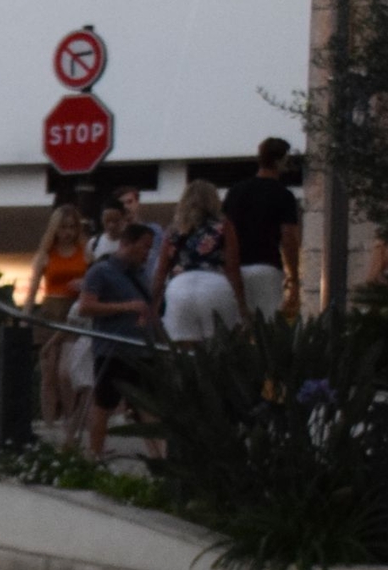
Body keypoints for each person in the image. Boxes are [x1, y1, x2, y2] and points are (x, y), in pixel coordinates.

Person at [74, 219, 158, 457]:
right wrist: (126, 307)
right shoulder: (101, 271)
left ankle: (159, 458)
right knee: (104, 404)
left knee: (147, 405)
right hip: (112, 350)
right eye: (144, 247)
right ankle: (95, 454)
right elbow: (86, 307)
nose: (147, 253)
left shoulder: (141, 275)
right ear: (127, 244)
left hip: (141, 349)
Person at [21, 203, 91, 421]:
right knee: (48, 373)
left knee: (67, 371)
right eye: (63, 227)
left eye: (72, 227)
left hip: (75, 313)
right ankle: (49, 421)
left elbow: (97, 281)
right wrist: (25, 317)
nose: (68, 233)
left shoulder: (86, 253)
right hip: (50, 310)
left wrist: (85, 283)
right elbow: (32, 289)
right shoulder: (45, 254)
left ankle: (71, 419)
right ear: (55, 229)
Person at [152, 179, 240, 343]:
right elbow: (232, 267)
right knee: (218, 350)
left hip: (179, 288)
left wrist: (153, 306)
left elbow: (161, 270)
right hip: (215, 285)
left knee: (184, 355)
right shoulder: (223, 226)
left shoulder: (173, 229)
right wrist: (242, 306)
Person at [223, 137, 302, 318]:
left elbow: (224, 229)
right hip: (267, 267)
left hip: (236, 269)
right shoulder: (283, 194)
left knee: (236, 327)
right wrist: (294, 277)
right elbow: (289, 237)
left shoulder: (236, 191)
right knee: (267, 331)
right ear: (278, 160)